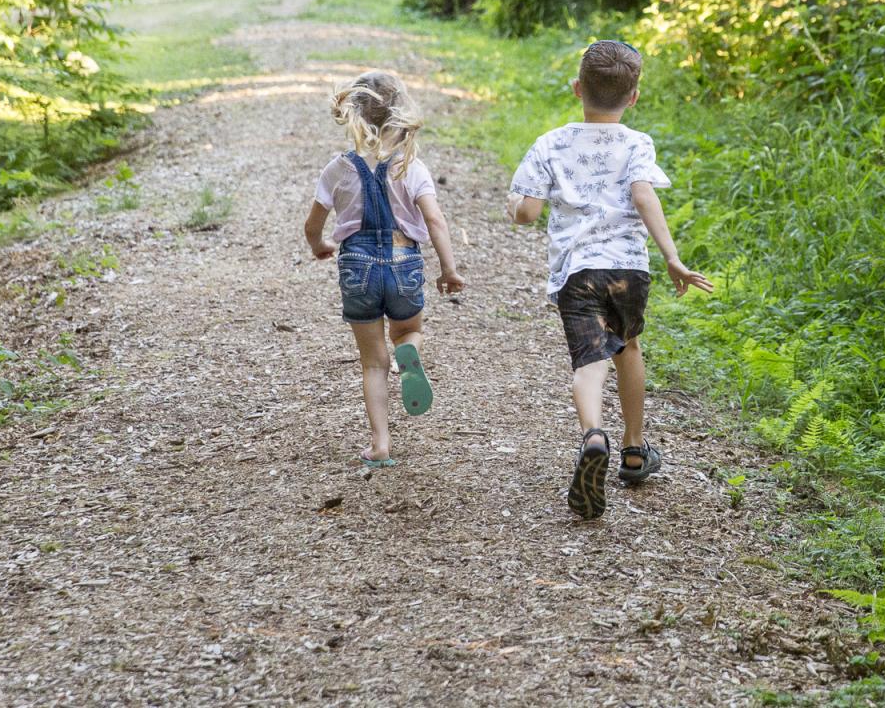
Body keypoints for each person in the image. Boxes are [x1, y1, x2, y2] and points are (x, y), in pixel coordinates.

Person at [505, 40, 713, 519]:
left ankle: (593, 435)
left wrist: (514, 205)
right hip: (629, 268)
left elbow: (528, 212)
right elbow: (643, 196)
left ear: (578, 89)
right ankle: (634, 451)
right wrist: (673, 258)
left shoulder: (551, 143)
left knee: (589, 361)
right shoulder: (637, 143)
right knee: (628, 348)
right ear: (634, 97)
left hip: (578, 272)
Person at [305, 71, 465, 467]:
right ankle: (408, 353)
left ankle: (380, 444)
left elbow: (312, 226)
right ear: (399, 114)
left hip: (357, 266)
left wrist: (320, 245)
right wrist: (449, 269)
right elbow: (436, 221)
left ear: (354, 114)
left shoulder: (338, 168)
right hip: (403, 261)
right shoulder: (411, 166)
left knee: (373, 362)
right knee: (409, 329)